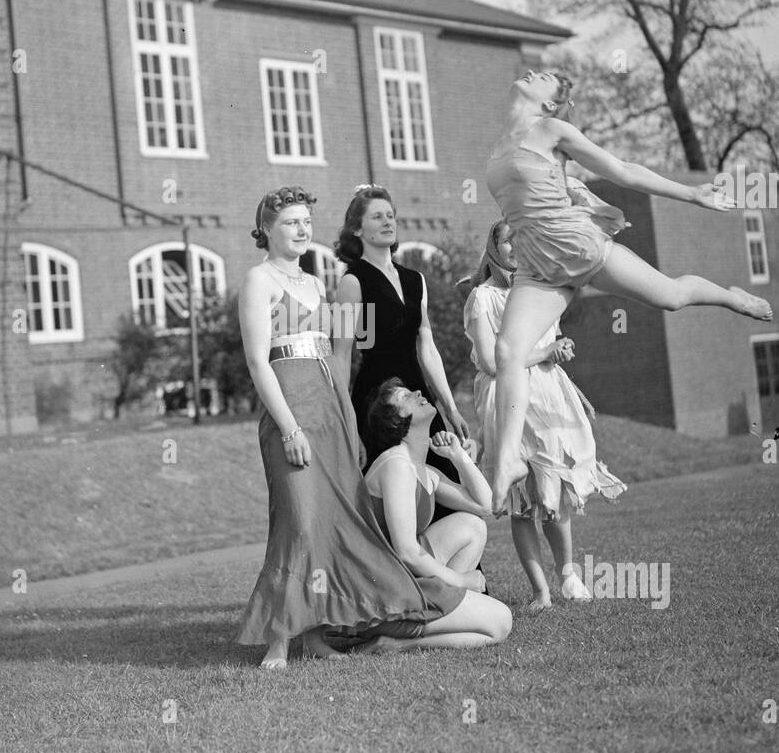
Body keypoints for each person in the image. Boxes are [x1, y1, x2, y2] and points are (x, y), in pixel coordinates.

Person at [486, 69, 773, 513]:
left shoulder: (551, 129)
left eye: (543, 77)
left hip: (579, 246)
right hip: (536, 267)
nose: (531, 72)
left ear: (548, 103)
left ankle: (732, 295)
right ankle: (507, 461)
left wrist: (692, 195)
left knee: (673, 297)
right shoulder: (500, 143)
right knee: (508, 354)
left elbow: (622, 171)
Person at [236, 187, 486, 669]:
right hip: (290, 406)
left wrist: (346, 421)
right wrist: (289, 428)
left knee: (330, 521)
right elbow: (256, 362)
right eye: (291, 222)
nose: (303, 230)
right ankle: (279, 641)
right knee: (299, 521)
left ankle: (315, 636)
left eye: (307, 221)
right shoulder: (258, 280)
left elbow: (335, 357)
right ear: (267, 229)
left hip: (328, 405)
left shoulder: (313, 283)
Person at [462, 217, 625, 611]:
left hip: (549, 393)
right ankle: (540, 592)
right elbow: (488, 361)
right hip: (506, 395)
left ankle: (568, 574)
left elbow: (548, 340)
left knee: (555, 486)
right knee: (522, 500)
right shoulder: (482, 298)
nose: (515, 248)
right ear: (493, 249)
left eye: (522, 241)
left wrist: (560, 352)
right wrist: (544, 353)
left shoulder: (541, 290)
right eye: (507, 242)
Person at [355, 378, 513, 655]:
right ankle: (398, 638)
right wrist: (460, 580)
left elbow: (486, 507)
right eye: (405, 397)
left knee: (472, 526)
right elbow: (405, 551)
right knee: (501, 623)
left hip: (403, 578)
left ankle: (435, 618)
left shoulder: (421, 469)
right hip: (383, 595)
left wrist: (458, 457)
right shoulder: (396, 465)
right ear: (397, 420)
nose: (417, 392)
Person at [332, 185, 469, 468]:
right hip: (377, 402)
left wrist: (451, 408)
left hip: (417, 392)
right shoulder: (353, 282)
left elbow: (427, 348)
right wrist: (347, 420)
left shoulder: (415, 280)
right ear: (357, 229)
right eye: (377, 217)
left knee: (441, 474)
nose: (387, 222)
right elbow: (342, 355)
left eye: (390, 216)